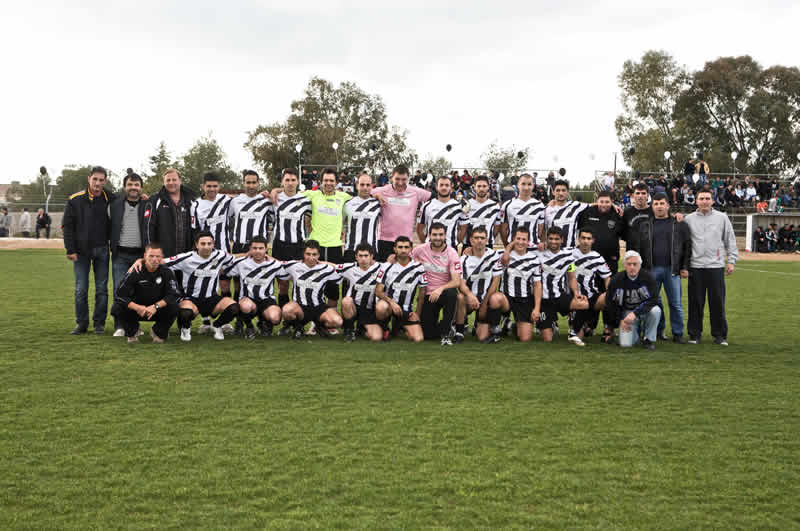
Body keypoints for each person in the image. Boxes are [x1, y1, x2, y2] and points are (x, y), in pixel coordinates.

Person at [160, 231, 240, 342]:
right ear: (196, 245)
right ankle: (186, 328)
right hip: (192, 299)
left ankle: (217, 325)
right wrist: (140, 261)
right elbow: (161, 262)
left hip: (212, 299)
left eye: (209, 244)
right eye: (203, 244)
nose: (206, 247)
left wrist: (252, 254)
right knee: (185, 313)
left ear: (213, 244)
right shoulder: (186, 258)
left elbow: (234, 258)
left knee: (234, 308)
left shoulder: (220, 255)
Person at [63, 166, 114, 335]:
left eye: (101, 180)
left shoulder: (112, 199)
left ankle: (99, 323)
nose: (98, 183)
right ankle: (82, 323)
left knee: (102, 289)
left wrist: (143, 197)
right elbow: (67, 227)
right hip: (81, 252)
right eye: (95, 179)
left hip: (102, 250)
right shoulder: (75, 199)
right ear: (89, 179)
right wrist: (70, 249)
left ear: (105, 181)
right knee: (81, 289)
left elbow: (130, 200)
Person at [684, 189, 738, 346]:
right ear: (696, 201)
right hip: (696, 267)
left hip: (716, 266)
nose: (705, 201)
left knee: (717, 302)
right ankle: (694, 334)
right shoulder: (689, 219)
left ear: (713, 201)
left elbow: (730, 240)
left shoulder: (722, 218)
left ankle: (719, 335)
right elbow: (684, 244)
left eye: (708, 198)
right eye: (701, 198)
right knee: (695, 302)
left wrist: (731, 261)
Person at [110, 243, 180, 343]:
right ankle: (132, 331)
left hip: (157, 310)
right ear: (144, 256)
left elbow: (173, 295)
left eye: (158, 256)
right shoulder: (135, 271)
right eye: (151, 256)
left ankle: (158, 331)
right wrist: (137, 307)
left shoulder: (167, 272)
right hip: (137, 310)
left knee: (175, 306)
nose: (155, 259)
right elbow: (119, 295)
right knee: (116, 307)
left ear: (162, 257)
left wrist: (155, 306)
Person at [222, 236, 288, 340]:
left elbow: (289, 272)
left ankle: (264, 322)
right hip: (248, 299)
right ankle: (249, 326)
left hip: (266, 300)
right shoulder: (241, 263)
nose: (258, 251)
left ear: (266, 249)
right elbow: (224, 270)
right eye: (255, 248)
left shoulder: (274, 264)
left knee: (275, 318)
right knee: (245, 306)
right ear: (250, 249)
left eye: (261, 248)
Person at [109, 171, 148, 337]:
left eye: (136, 185)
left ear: (141, 188)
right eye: (130, 185)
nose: (133, 188)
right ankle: (120, 326)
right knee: (120, 290)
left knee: (137, 292)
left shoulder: (148, 205)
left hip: (140, 256)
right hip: (121, 255)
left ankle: (135, 327)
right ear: (124, 187)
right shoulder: (115, 205)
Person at [533, 227, 589, 343]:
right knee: (547, 339)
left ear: (562, 240)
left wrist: (576, 293)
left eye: (556, 239)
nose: (553, 242)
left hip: (559, 296)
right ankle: (550, 324)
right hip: (544, 300)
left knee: (584, 304)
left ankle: (573, 329)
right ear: (547, 239)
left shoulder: (568, 257)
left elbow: (572, 277)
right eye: (551, 239)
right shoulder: (539, 253)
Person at [270, 168, 313, 317]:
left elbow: (312, 219)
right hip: (280, 245)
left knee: (298, 283)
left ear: (298, 182)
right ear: (282, 182)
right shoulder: (274, 199)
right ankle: (285, 320)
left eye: (293, 180)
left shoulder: (305, 200)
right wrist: (273, 191)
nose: (290, 183)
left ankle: (297, 320)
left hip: (298, 246)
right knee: (282, 285)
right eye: (287, 180)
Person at [410, 222, 462, 345]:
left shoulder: (452, 253)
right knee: (428, 334)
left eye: (440, 235)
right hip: (428, 295)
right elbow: (407, 257)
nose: (437, 238)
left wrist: (440, 289)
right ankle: (444, 327)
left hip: (443, 292)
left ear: (445, 236)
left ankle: (446, 333)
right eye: (434, 235)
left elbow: (456, 281)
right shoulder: (420, 249)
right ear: (429, 235)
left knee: (451, 294)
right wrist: (394, 258)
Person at [280, 239, 344, 339]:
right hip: (300, 307)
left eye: (314, 254)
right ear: (303, 254)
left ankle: (319, 326)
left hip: (319, 307)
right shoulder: (293, 265)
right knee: (286, 310)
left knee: (337, 321)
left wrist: (324, 262)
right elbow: (275, 263)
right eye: (308, 254)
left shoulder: (326, 268)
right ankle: (298, 327)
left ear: (319, 255)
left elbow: (342, 269)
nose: (311, 257)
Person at [649, 193, 691, 343]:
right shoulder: (647, 224)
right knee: (654, 302)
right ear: (652, 206)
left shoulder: (679, 224)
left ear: (667, 205)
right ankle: (659, 331)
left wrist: (685, 267)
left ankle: (678, 333)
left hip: (672, 269)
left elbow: (687, 247)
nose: (659, 206)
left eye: (662, 203)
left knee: (675, 303)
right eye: (656, 204)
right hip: (652, 269)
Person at [455, 227, 507, 344]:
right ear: (471, 240)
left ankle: (493, 328)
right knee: (460, 297)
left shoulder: (494, 256)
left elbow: (495, 282)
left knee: (482, 338)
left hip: (486, 300)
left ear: (487, 240)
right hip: (470, 300)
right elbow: (461, 283)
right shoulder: (463, 259)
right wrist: (470, 295)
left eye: (482, 238)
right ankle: (459, 332)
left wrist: (484, 304)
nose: (479, 240)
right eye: (476, 238)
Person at [371, 164, 431, 261]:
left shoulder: (415, 192)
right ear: (391, 178)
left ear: (408, 179)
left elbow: (434, 196)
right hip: (385, 240)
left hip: (405, 242)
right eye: (397, 179)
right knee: (384, 272)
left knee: (404, 273)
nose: (400, 182)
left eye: (404, 179)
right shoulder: (383, 190)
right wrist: (376, 196)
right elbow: (364, 193)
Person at [605, 250, 661, 351]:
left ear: (640, 265)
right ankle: (636, 332)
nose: (632, 267)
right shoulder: (616, 280)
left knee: (656, 310)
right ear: (624, 265)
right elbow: (610, 303)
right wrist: (620, 320)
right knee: (626, 344)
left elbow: (654, 299)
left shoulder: (648, 278)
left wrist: (635, 313)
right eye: (629, 264)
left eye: (635, 264)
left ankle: (648, 339)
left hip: (644, 311)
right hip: (627, 314)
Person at [374, 236, 426, 343]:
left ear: (411, 249)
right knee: (381, 307)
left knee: (418, 339)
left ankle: (398, 326)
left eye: (406, 247)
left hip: (407, 309)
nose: (403, 250)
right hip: (390, 306)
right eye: (400, 247)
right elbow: (378, 291)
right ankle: (385, 328)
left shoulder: (419, 268)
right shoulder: (386, 266)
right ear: (395, 249)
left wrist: (417, 313)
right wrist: (392, 303)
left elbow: (422, 292)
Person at [569, 228, 612, 345]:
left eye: (588, 238)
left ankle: (609, 329)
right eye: (583, 238)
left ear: (593, 240)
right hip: (575, 297)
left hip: (592, 296)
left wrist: (609, 290)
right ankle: (582, 326)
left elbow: (607, 277)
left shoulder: (597, 257)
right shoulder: (569, 255)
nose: (585, 241)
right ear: (578, 239)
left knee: (611, 296)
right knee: (577, 339)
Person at [500, 226, 542, 343]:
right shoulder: (503, 255)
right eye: (518, 239)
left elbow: (537, 285)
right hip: (507, 298)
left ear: (528, 242)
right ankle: (495, 326)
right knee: (495, 299)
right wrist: (507, 250)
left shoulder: (534, 259)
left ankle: (513, 326)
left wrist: (537, 308)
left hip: (524, 299)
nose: (520, 242)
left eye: (524, 239)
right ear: (513, 240)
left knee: (525, 338)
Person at [337, 243, 384, 342]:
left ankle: (361, 329)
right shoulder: (350, 267)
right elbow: (333, 267)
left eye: (366, 256)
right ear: (356, 257)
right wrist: (317, 262)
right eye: (360, 256)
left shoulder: (381, 268)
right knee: (346, 301)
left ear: (371, 256)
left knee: (376, 337)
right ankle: (349, 330)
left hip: (369, 310)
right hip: (353, 307)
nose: (363, 259)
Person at [146, 168, 196, 258]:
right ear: (163, 183)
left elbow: (196, 227)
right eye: (168, 180)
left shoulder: (191, 200)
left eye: (174, 180)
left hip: (187, 256)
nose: (171, 183)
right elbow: (149, 228)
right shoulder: (155, 200)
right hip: (164, 257)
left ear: (180, 181)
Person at [499, 173, 545, 251]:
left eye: (529, 184)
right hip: (514, 249)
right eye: (523, 184)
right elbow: (503, 229)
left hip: (533, 249)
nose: (526, 187)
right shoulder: (507, 205)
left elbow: (540, 230)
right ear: (518, 185)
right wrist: (507, 246)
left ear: (533, 186)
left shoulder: (539, 205)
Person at [342, 173, 381, 263]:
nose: (365, 187)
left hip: (372, 251)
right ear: (356, 185)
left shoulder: (378, 204)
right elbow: (339, 224)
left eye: (368, 185)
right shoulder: (348, 204)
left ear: (372, 186)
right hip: (351, 251)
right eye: (362, 184)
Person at [417, 176, 463, 250]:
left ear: (451, 187)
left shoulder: (459, 206)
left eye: (447, 185)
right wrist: (426, 244)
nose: (444, 188)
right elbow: (419, 229)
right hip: (430, 250)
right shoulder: (427, 206)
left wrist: (456, 243)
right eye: (441, 185)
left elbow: (462, 229)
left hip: (451, 249)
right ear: (436, 187)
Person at [458, 175, 501, 253]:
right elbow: (461, 228)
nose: (481, 189)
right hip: (468, 245)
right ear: (474, 187)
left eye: (484, 186)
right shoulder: (467, 205)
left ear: (488, 187)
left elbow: (496, 228)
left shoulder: (495, 206)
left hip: (487, 245)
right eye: (479, 186)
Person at [192, 171, 233, 251]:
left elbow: (244, 203)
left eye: (215, 186)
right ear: (203, 186)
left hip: (224, 251)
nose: (212, 189)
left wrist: (260, 196)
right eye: (209, 186)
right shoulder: (195, 205)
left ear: (219, 186)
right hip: (206, 252)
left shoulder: (225, 199)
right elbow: (195, 231)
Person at [543, 179, 588, 249]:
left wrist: (611, 205)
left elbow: (595, 205)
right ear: (553, 192)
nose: (561, 193)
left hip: (570, 252)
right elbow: (543, 231)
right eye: (558, 190)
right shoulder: (546, 210)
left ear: (567, 192)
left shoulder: (575, 205)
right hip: (552, 252)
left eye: (563, 190)